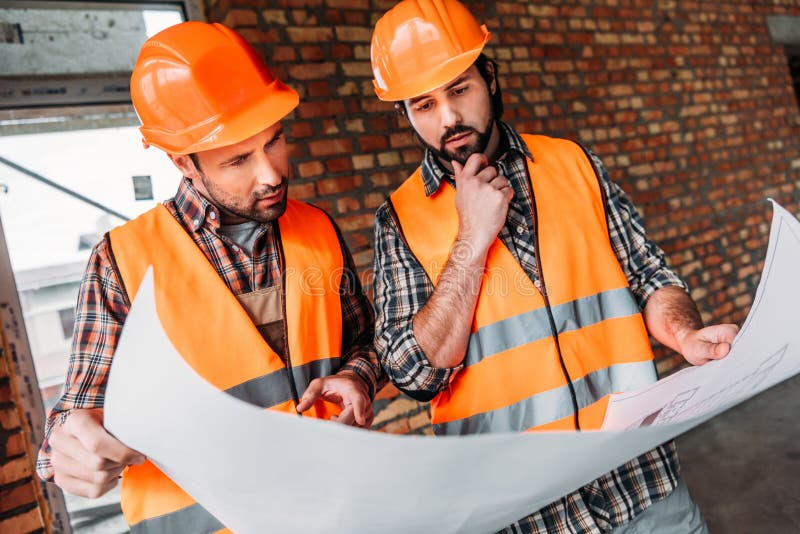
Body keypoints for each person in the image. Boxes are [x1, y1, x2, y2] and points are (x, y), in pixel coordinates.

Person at [370, 1, 738, 532]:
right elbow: (416, 373)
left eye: (458, 89)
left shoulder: (574, 164)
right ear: (403, 113)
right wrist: (472, 238)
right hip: (527, 511)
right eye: (423, 104)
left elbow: (648, 276)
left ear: (489, 78)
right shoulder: (397, 221)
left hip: (641, 483)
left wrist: (684, 336)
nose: (447, 118)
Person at [37, 21, 383, 532]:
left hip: (335, 516)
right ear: (184, 162)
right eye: (238, 159)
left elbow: (365, 342)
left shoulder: (318, 230)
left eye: (274, 142)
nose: (269, 174)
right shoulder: (122, 262)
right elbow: (70, 427)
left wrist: (358, 375)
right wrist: (69, 450)